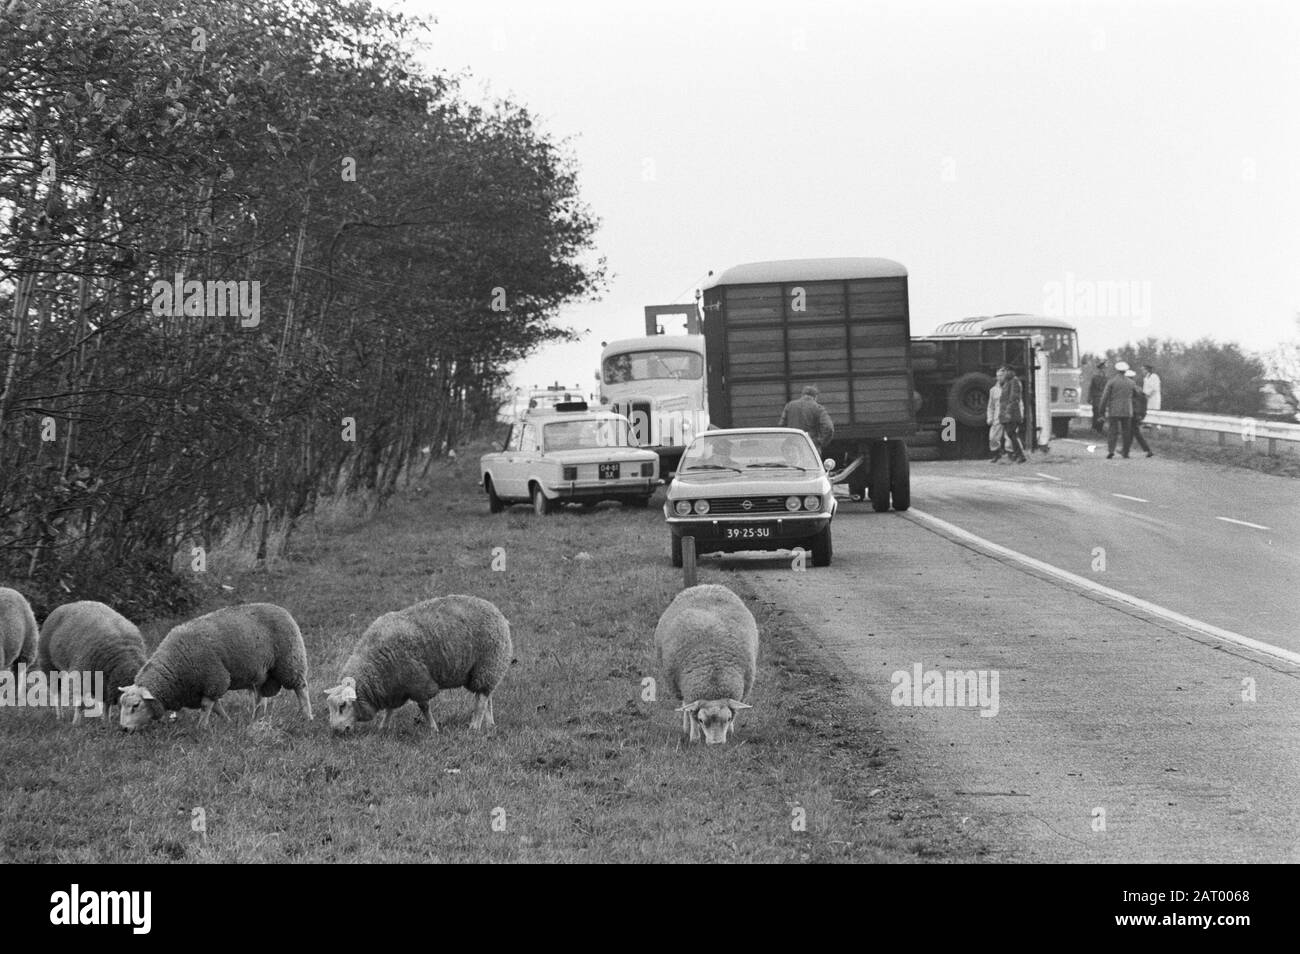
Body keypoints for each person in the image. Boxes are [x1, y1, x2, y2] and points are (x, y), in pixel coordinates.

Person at [1099, 361, 1138, 458]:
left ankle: (1111, 450)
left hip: (1114, 409)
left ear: (1117, 370)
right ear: (1126, 371)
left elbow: (1104, 397)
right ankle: (1126, 452)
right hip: (1127, 410)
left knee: (1113, 431)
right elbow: (1137, 396)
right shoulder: (1131, 382)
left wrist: (1101, 411)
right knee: (1126, 432)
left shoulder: (1111, 382)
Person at [779, 384, 834, 452]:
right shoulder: (818, 408)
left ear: (802, 395)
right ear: (815, 397)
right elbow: (829, 427)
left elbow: (781, 425)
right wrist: (820, 441)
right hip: (810, 445)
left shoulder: (789, 405)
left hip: (791, 445)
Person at [997, 365, 1027, 462]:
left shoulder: (1014, 381)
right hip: (1006, 414)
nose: (1004, 373)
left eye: (1005, 371)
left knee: (1011, 433)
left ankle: (1020, 455)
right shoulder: (1007, 382)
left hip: (1012, 414)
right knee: (1010, 434)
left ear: (1010, 371)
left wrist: (1008, 412)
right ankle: (1016, 454)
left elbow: (1013, 398)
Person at [1128, 370, 1154, 457]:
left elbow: (1131, 402)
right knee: (1132, 432)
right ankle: (1126, 450)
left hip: (1133, 413)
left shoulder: (1130, 389)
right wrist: (1143, 414)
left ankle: (1148, 450)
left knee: (1134, 432)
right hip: (1139, 414)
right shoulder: (1139, 388)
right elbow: (1144, 401)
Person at [986, 373, 1006, 462]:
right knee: (993, 437)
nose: (999, 377)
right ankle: (996, 454)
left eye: (1002, 375)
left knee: (1010, 436)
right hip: (997, 416)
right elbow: (991, 406)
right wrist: (989, 417)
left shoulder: (1011, 387)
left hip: (1009, 415)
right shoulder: (993, 390)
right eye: (998, 375)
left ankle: (1011, 455)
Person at [1088, 361, 1108, 434]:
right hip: (1097, 398)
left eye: (1104, 369)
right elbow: (1091, 388)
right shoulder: (1095, 378)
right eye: (1103, 368)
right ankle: (1095, 428)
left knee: (1102, 414)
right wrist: (1089, 398)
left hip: (1102, 398)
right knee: (1096, 414)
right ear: (1100, 369)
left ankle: (1099, 429)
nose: (1104, 370)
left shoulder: (1106, 378)